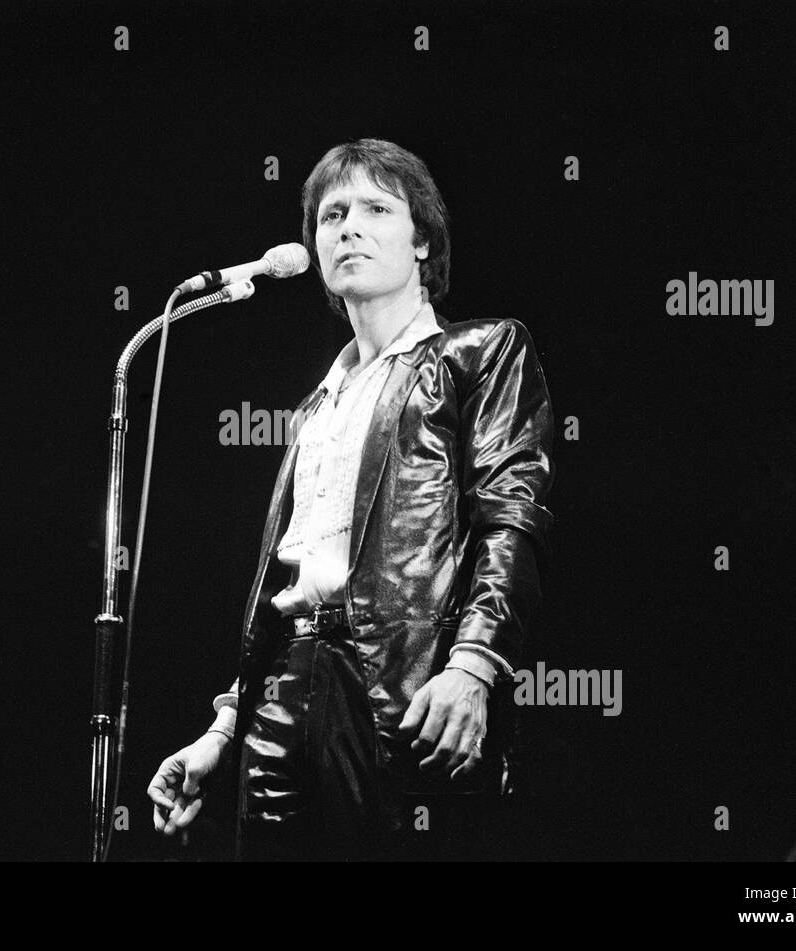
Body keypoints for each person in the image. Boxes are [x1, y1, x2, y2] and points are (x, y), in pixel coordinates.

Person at [147, 138, 556, 860]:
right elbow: (289, 578)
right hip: (284, 689)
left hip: (405, 681)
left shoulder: (480, 352)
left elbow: (510, 515)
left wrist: (473, 664)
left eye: (375, 208)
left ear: (422, 239)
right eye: (332, 214)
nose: (348, 227)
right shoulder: (314, 407)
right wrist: (223, 731)